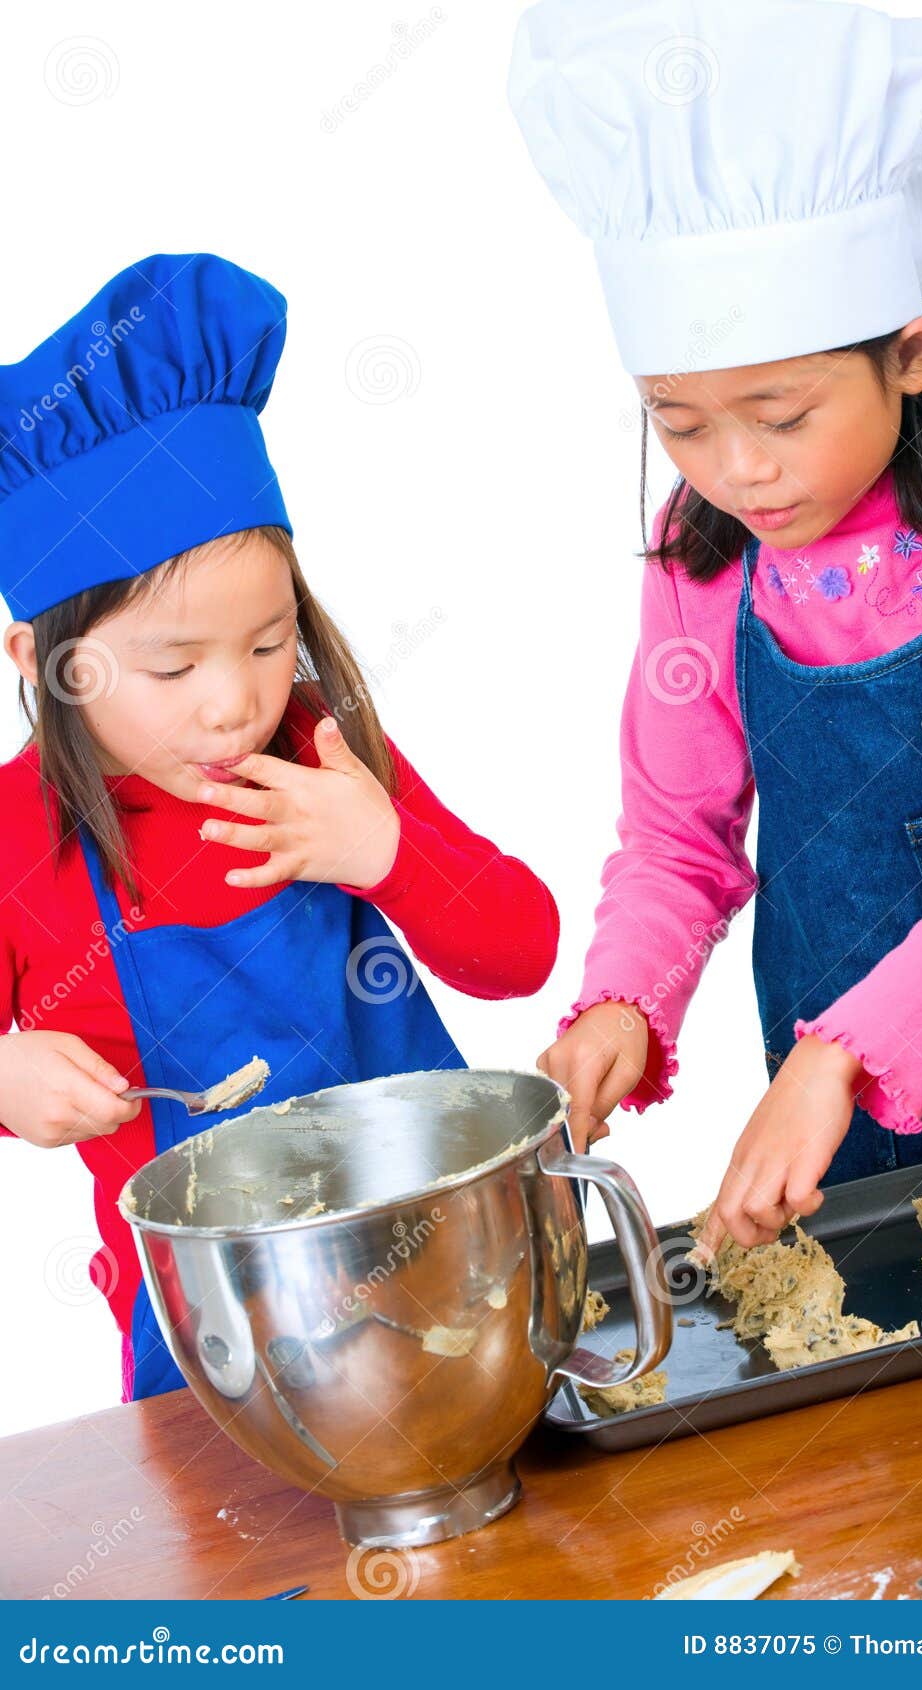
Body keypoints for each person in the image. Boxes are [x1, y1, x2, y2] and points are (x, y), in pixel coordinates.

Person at [510, 0, 922, 1256]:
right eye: (683, 423)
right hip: (826, 1122)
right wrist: (621, 1006)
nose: (740, 473)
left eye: (780, 411)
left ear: (913, 353)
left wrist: (843, 1053)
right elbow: (674, 841)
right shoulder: (702, 559)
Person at [0, 252, 559, 1399]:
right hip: (205, 1342)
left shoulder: (320, 755)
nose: (233, 699)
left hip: (442, 1285)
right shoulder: (19, 839)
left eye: (266, 643)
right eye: (173, 664)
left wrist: (386, 854)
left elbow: (522, 950)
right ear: (42, 662)